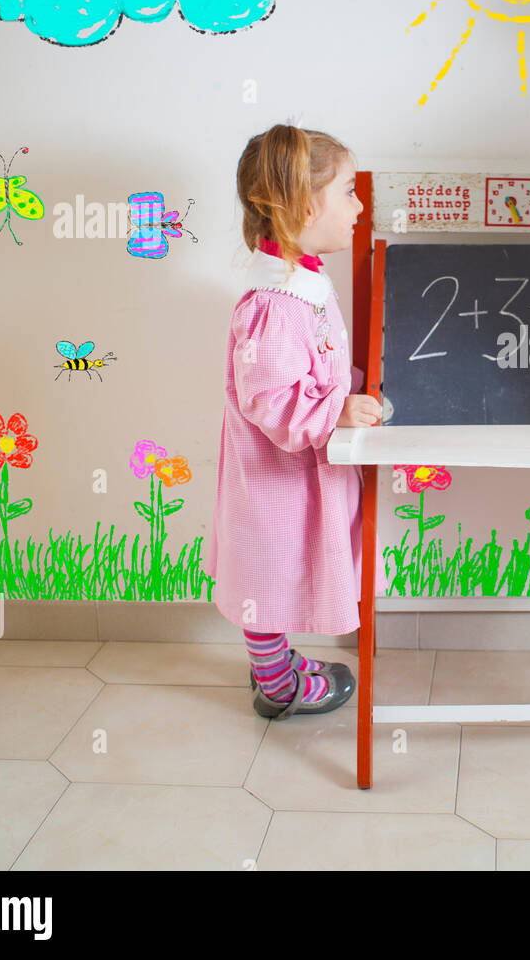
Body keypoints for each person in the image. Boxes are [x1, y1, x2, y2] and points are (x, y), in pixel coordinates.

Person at [204, 124, 386, 720]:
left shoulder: (300, 285)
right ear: (305, 206)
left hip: (298, 472)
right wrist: (336, 410)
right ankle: (277, 685)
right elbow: (272, 399)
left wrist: (350, 386)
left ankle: (277, 664)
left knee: (279, 572)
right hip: (279, 481)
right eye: (350, 192)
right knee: (270, 574)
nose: (360, 206)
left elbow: (316, 364)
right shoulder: (277, 303)